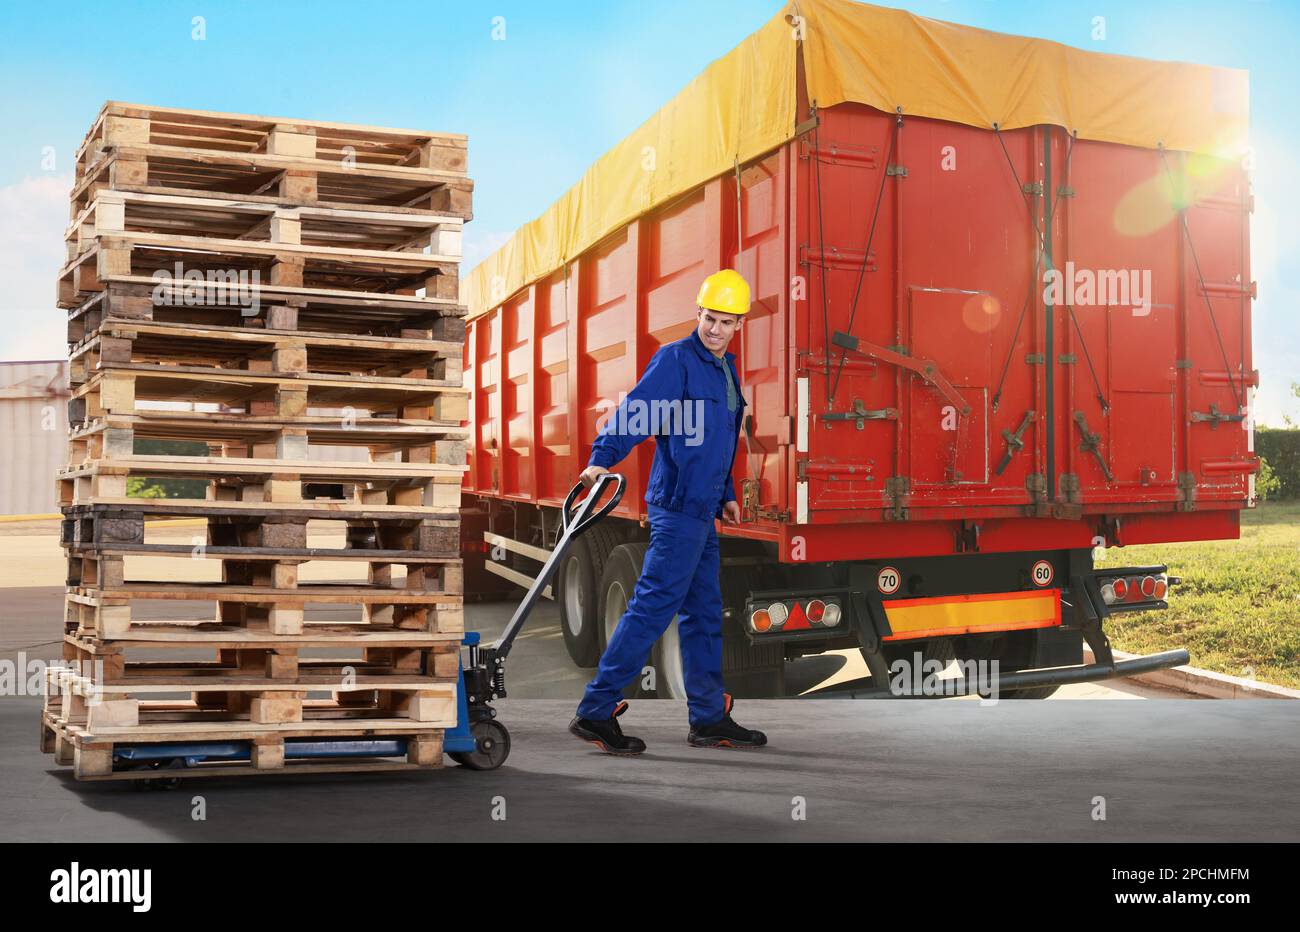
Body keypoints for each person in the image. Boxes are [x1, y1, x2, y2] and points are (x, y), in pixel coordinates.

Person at [568, 269, 769, 754]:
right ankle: (596, 710)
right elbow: (638, 410)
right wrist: (602, 457)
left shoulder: (726, 370)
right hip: (677, 509)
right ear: (697, 314)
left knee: (703, 614)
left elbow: (720, 438)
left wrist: (726, 492)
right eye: (708, 318)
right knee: (653, 609)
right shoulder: (676, 360)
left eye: (725, 322)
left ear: (739, 324)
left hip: (703, 511)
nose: (714, 329)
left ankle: (708, 718)